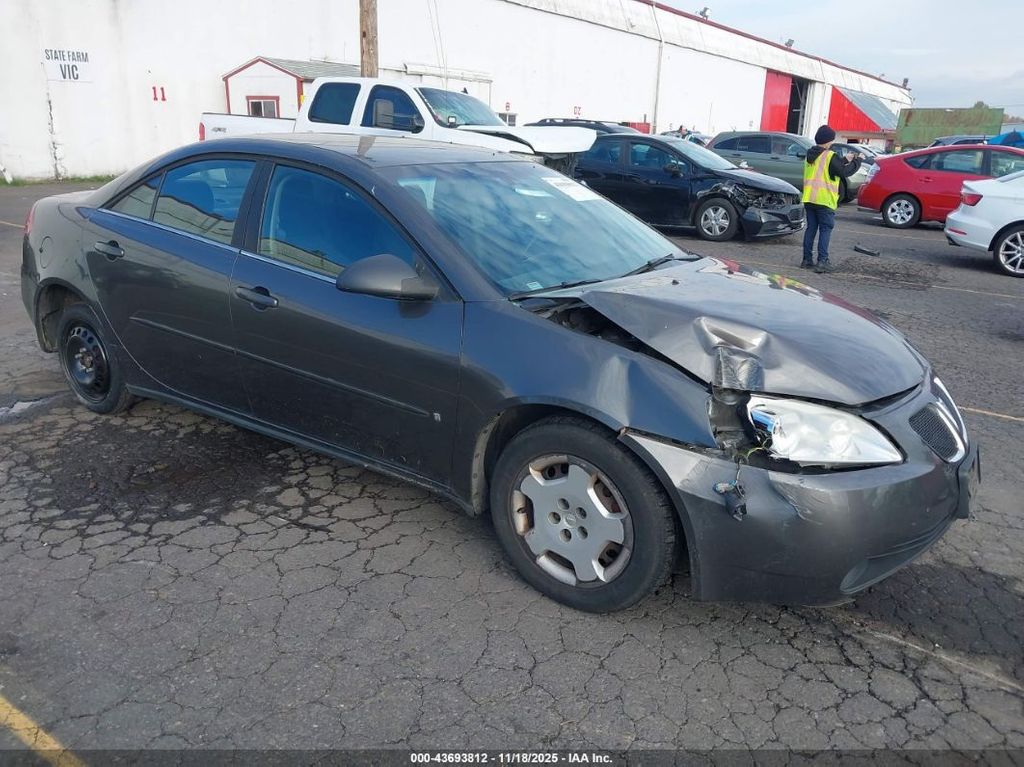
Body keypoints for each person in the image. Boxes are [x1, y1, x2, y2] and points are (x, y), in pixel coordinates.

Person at [801, 125, 862, 273]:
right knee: (825, 230)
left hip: (810, 199)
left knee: (811, 229)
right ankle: (822, 261)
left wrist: (844, 160)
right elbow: (843, 172)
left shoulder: (810, 155)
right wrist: (857, 161)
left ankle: (806, 260)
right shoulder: (829, 156)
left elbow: (830, 167)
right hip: (825, 200)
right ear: (828, 141)